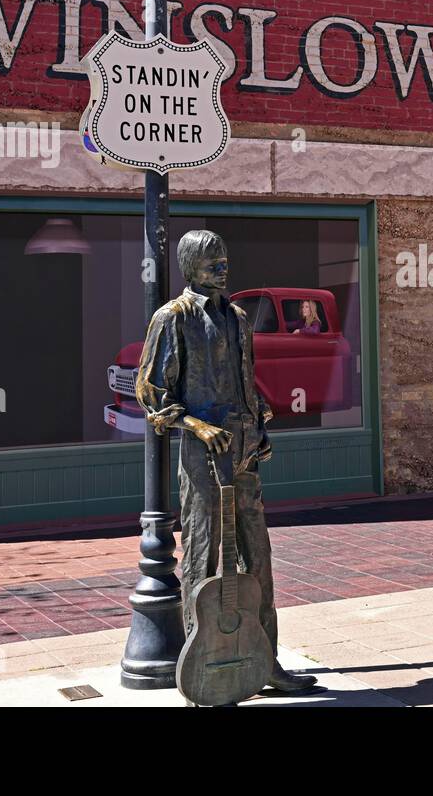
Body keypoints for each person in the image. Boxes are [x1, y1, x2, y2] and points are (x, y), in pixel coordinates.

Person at [135, 229, 318, 694]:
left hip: (244, 450)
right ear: (190, 265)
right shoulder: (171, 317)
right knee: (204, 553)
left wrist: (260, 429)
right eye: (213, 261)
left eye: (225, 259)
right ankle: (202, 662)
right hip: (203, 454)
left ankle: (267, 660)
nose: (223, 267)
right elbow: (151, 391)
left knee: (259, 557)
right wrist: (196, 425)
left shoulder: (237, 316)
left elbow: (245, 383)